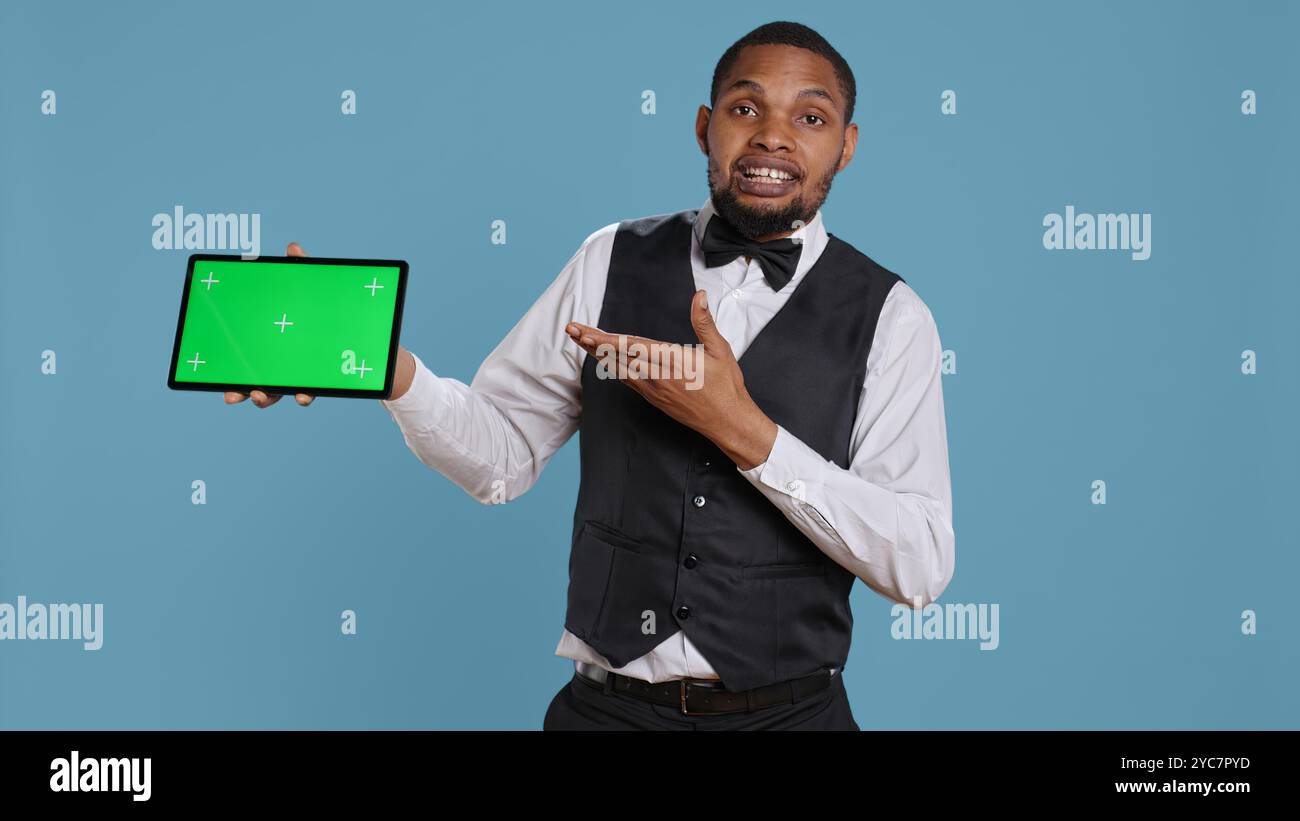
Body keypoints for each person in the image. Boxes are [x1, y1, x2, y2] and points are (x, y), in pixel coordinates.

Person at [225, 21, 955, 731]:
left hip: (794, 716)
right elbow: (501, 457)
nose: (772, 135)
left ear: (847, 147)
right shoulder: (608, 257)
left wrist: (751, 436)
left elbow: (921, 563)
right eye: (744, 107)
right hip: (607, 713)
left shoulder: (893, 317)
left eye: (811, 116)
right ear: (705, 126)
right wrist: (387, 370)